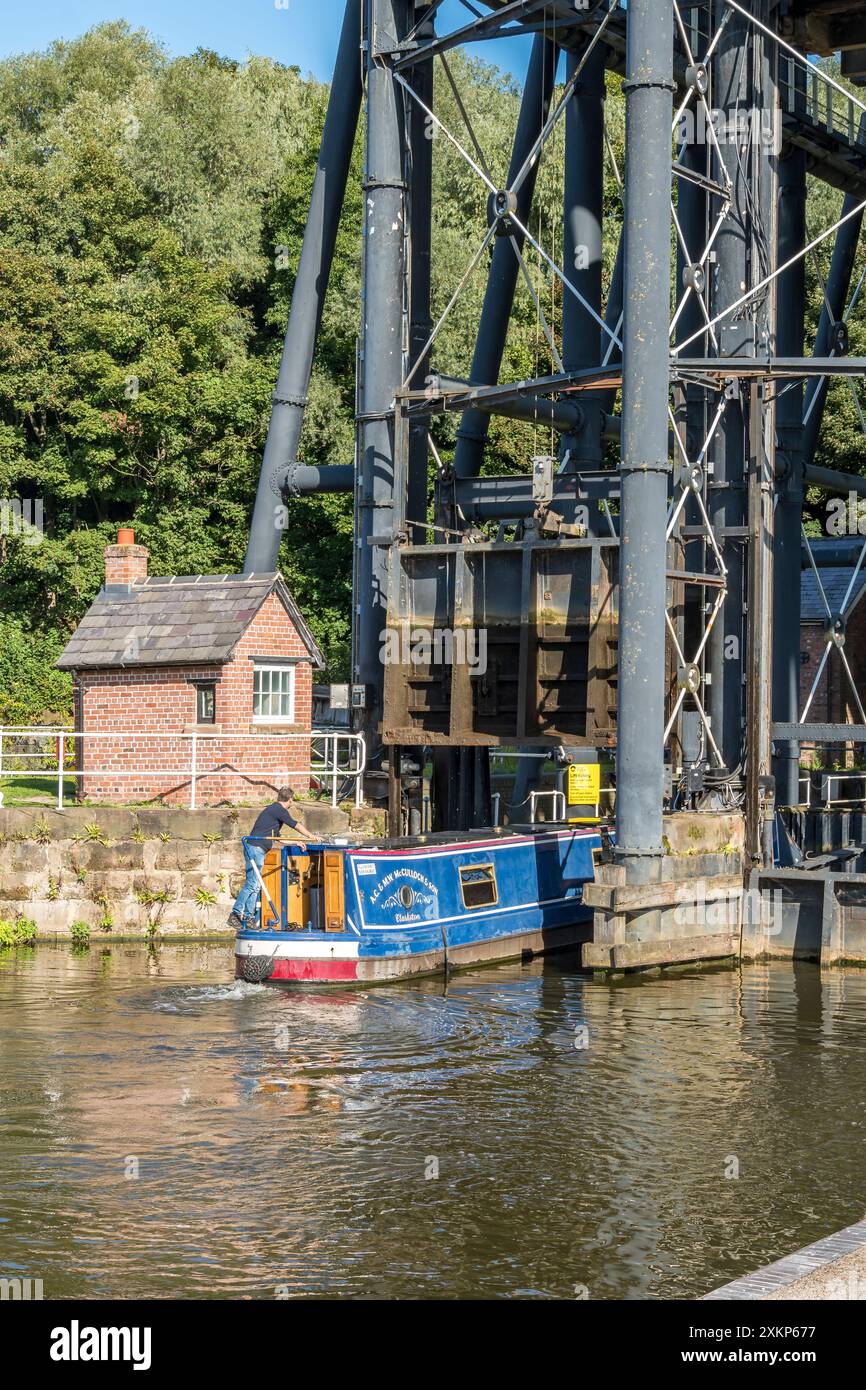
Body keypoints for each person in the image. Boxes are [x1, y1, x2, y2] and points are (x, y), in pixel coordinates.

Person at [228, 787, 313, 930]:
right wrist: (311, 836)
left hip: (256, 848)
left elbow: (278, 838)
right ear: (290, 799)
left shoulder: (274, 812)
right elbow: (296, 825)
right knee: (252, 884)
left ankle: (248, 917)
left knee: (255, 885)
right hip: (255, 848)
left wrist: (296, 842)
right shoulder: (279, 810)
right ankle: (235, 914)